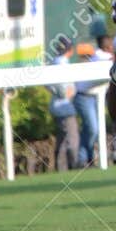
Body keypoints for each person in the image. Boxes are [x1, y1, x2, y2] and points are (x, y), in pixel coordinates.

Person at [74, 34, 114, 168]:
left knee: (89, 129)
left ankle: (85, 159)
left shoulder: (100, 55)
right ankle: (83, 158)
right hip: (84, 96)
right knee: (93, 128)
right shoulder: (100, 55)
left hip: (95, 96)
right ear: (107, 47)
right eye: (112, 46)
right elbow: (114, 58)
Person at [48, 38, 81, 171]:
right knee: (72, 138)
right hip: (64, 107)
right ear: (69, 50)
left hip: (57, 106)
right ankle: (73, 165)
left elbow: (48, 84)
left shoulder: (54, 62)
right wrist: (65, 92)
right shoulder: (62, 64)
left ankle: (60, 167)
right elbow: (64, 88)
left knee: (62, 139)